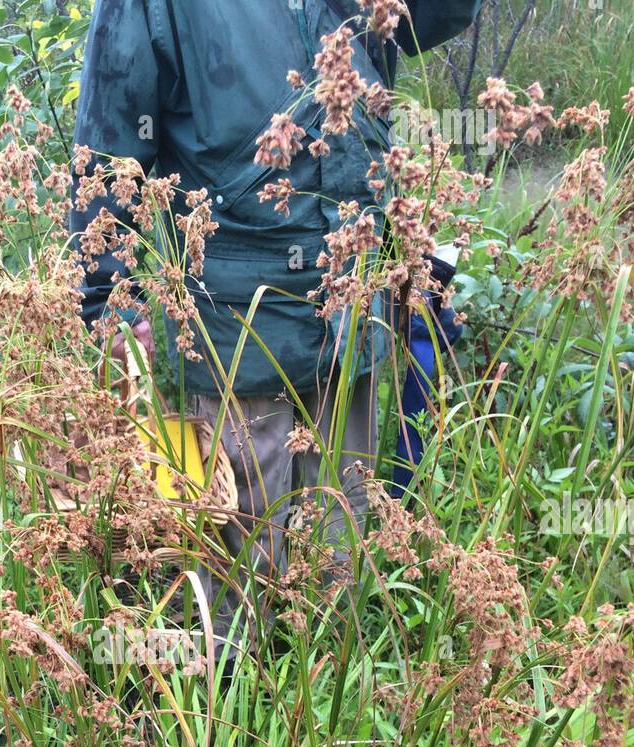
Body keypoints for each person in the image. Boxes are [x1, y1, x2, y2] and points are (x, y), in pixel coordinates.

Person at [71, 0, 482, 653]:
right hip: (227, 356)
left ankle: (317, 746)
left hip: (354, 346)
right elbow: (106, 155)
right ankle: (224, 745)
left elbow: (441, 13)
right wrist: (112, 306)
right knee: (230, 609)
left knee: (333, 596)